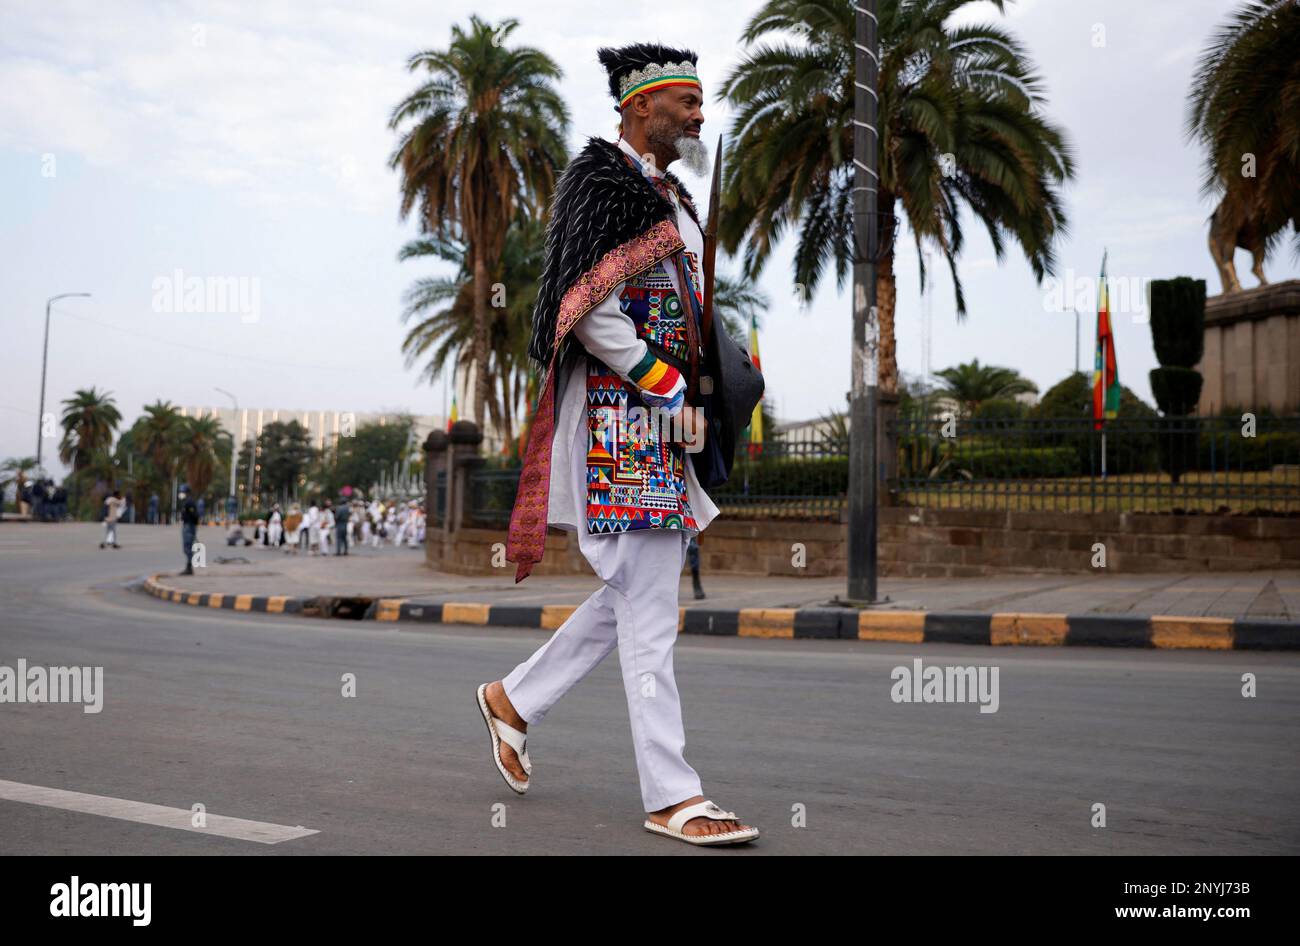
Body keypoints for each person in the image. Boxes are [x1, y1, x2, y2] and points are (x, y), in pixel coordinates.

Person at [485, 43, 756, 847]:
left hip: (655, 422)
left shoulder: (665, 194)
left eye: (702, 102)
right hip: (620, 419)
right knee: (648, 610)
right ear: (642, 108)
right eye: (688, 102)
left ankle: (513, 700)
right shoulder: (602, 183)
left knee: (637, 596)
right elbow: (589, 310)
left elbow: (676, 305)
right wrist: (668, 384)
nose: (701, 114)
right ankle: (673, 794)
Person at [178, 483, 199, 575]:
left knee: (188, 547)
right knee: (186, 547)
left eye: (182, 492)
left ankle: (189, 568)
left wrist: (192, 527)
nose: (181, 494)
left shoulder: (189, 502)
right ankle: (188, 567)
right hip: (187, 525)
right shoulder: (186, 501)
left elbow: (194, 515)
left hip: (189, 526)